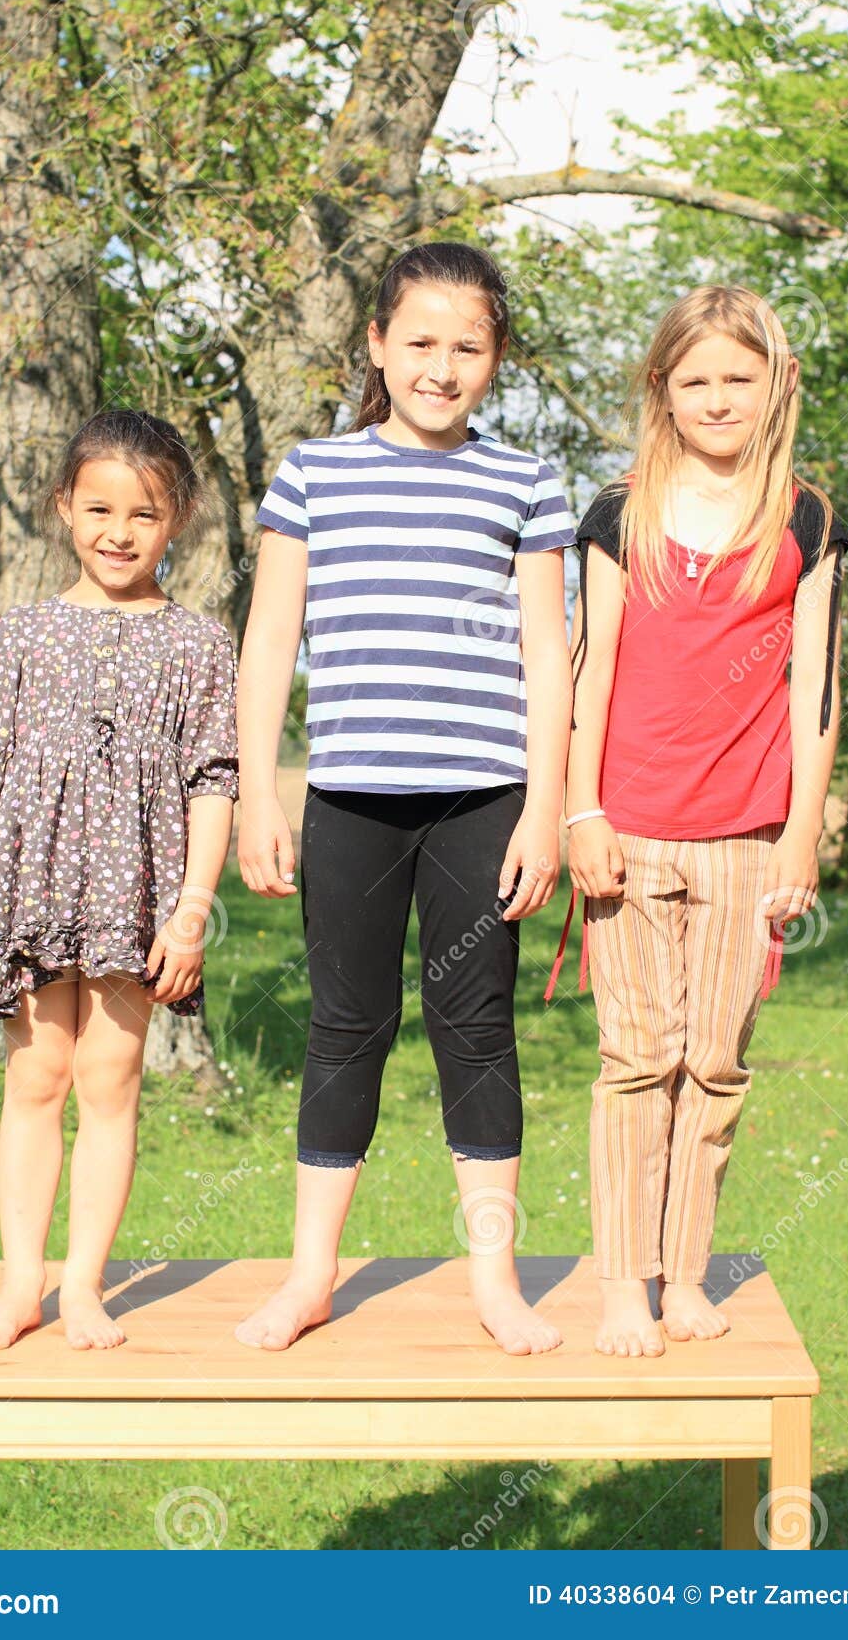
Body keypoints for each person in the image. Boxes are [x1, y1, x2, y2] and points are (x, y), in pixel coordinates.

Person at [234, 241, 575, 1356]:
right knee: (347, 1028)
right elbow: (270, 639)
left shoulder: (527, 480)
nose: (441, 365)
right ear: (376, 345)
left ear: (496, 359)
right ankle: (310, 1276)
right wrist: (257, 795)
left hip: (483, 800)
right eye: (419, 341)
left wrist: (545, 806)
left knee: (473, 1028)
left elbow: (547, 653)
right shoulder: (312, 474)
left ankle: (495, 1283)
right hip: (351, 800)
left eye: (467, 346)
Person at [563, 285, 848, 1358]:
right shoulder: (617, 513)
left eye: (739, 377)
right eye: (697, 380)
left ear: (773, 385)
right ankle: (620, 1288)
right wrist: (579, 808)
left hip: (745, 835)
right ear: (661, 389)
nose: (718, 397)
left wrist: (802, 831)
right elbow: (588, 670)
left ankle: (684, 1275)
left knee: (716, 1063)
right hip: (626, 830)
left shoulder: (805, 520)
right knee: (636, 1058)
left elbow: (813, 687)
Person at [0, 410, 238, 1351]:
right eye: (100, 507)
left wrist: (191, 912)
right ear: (65, 507)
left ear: (178, 519)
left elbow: (213, 782)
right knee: (36, 1078)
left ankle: (84, 1287)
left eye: (144, 514)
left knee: (109, 1078)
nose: (119, 531)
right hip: (29, 895)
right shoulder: (24, 634)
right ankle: (21, 1281)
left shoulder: (197, 644)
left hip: (134, 904)